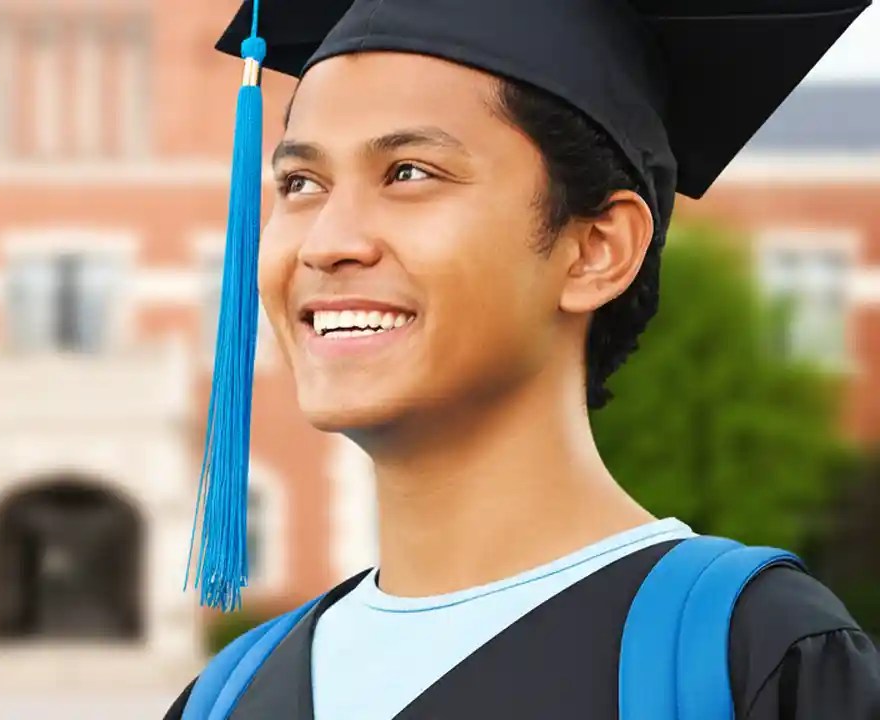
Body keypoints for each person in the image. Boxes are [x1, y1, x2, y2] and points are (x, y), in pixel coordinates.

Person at [167, 0, 880, 717]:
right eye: (300, 184)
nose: (325, 242)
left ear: (597, 250)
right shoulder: (227, 696)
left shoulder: (743, 657)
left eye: (410, 172)